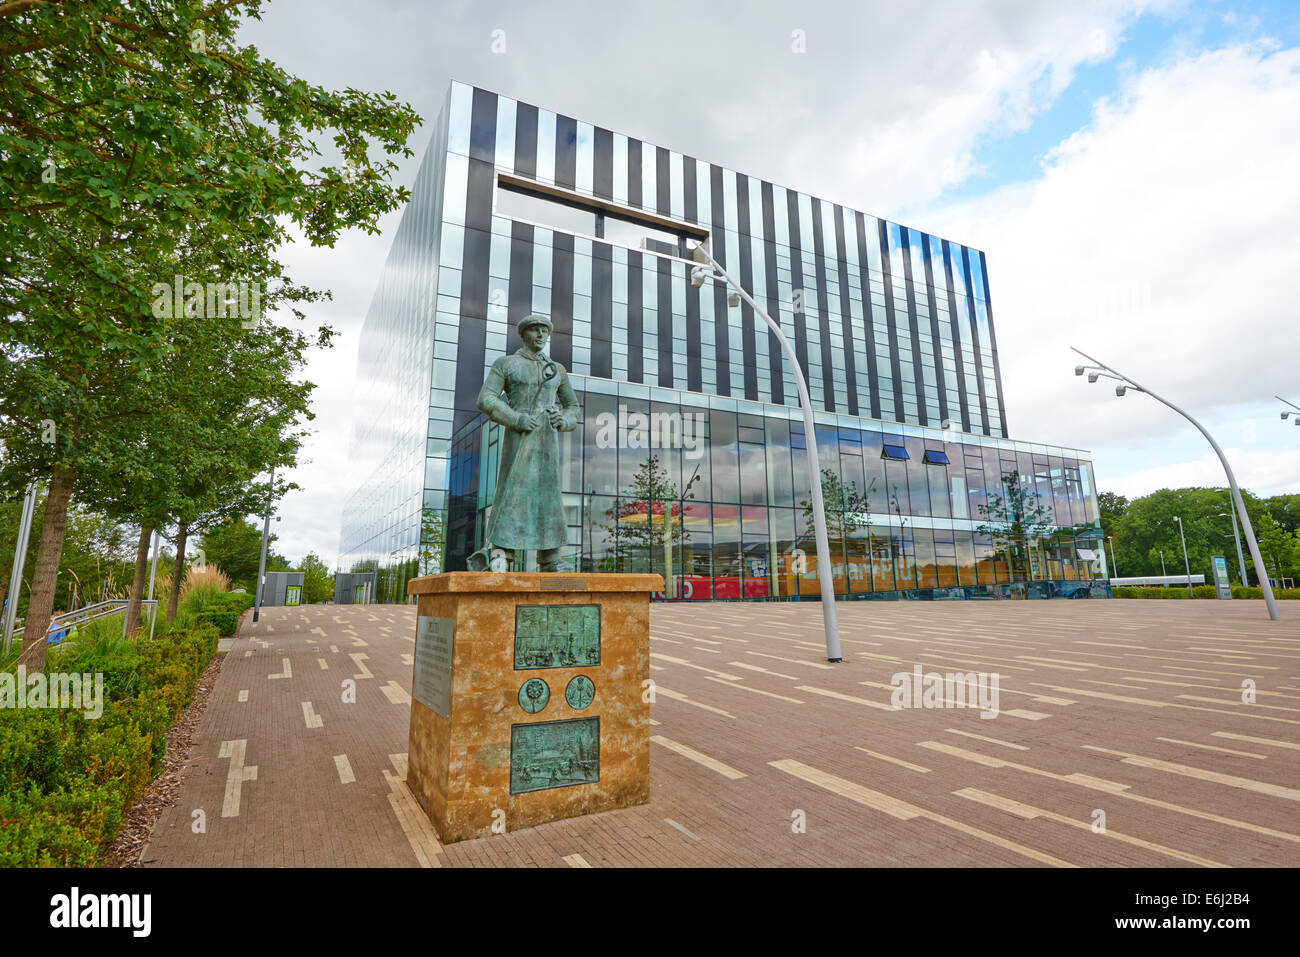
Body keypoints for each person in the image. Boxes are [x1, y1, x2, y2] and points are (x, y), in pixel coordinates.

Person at [469, 313, 580, 572]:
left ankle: (550, 557)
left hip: (547, 443)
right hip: (519, 438)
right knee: (513, 491)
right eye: (536, 330)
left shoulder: (557, 370)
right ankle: (503, 552)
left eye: (545, 331)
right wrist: (516, 418)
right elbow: (486, 398)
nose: (542, 335)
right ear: (524, 334)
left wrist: (562, 419)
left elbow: (573, 406)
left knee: (548, 494)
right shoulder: (506, 364)